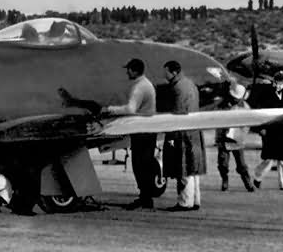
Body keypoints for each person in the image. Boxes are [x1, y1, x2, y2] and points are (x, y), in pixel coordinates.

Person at [100, 57, 159, 210]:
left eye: (128, 69)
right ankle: (146, 198)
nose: (127, 72)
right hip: (147, 130)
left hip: (142, 131)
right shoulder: (146, 84)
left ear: (134, 71)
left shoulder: (139, 87)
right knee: (143, 164)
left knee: (140, 164)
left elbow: (130, 109)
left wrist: (110, 109)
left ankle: (145, 198)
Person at [161, 60, 206, 211]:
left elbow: (177, 113)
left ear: (173, 72)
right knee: (193, 169)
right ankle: (195, 200)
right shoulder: (190, 84)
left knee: (183, 168)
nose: (164, 75)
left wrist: (170, 138)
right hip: (193, 130)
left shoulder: (177, 88)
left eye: (166, 72)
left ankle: (184, 202)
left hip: (181, 132)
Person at [252, 71, 283, 190]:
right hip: (270, 131)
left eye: (282, 83)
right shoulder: (266, 94)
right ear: (273, 83)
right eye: (277, 83)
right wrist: (261, 128)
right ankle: (257, 177)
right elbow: (260, 113)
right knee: (268, 159)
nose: (279, 86)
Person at [215, 82, 255, 192]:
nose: (235, 99)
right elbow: (216, 120)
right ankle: (225, 181)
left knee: (242, 165)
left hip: (237, 140)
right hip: (223, 139)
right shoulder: (224, 105)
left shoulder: (246, 108)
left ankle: (248, 183)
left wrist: (241, 134)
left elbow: (247, 125)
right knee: (223, 164)